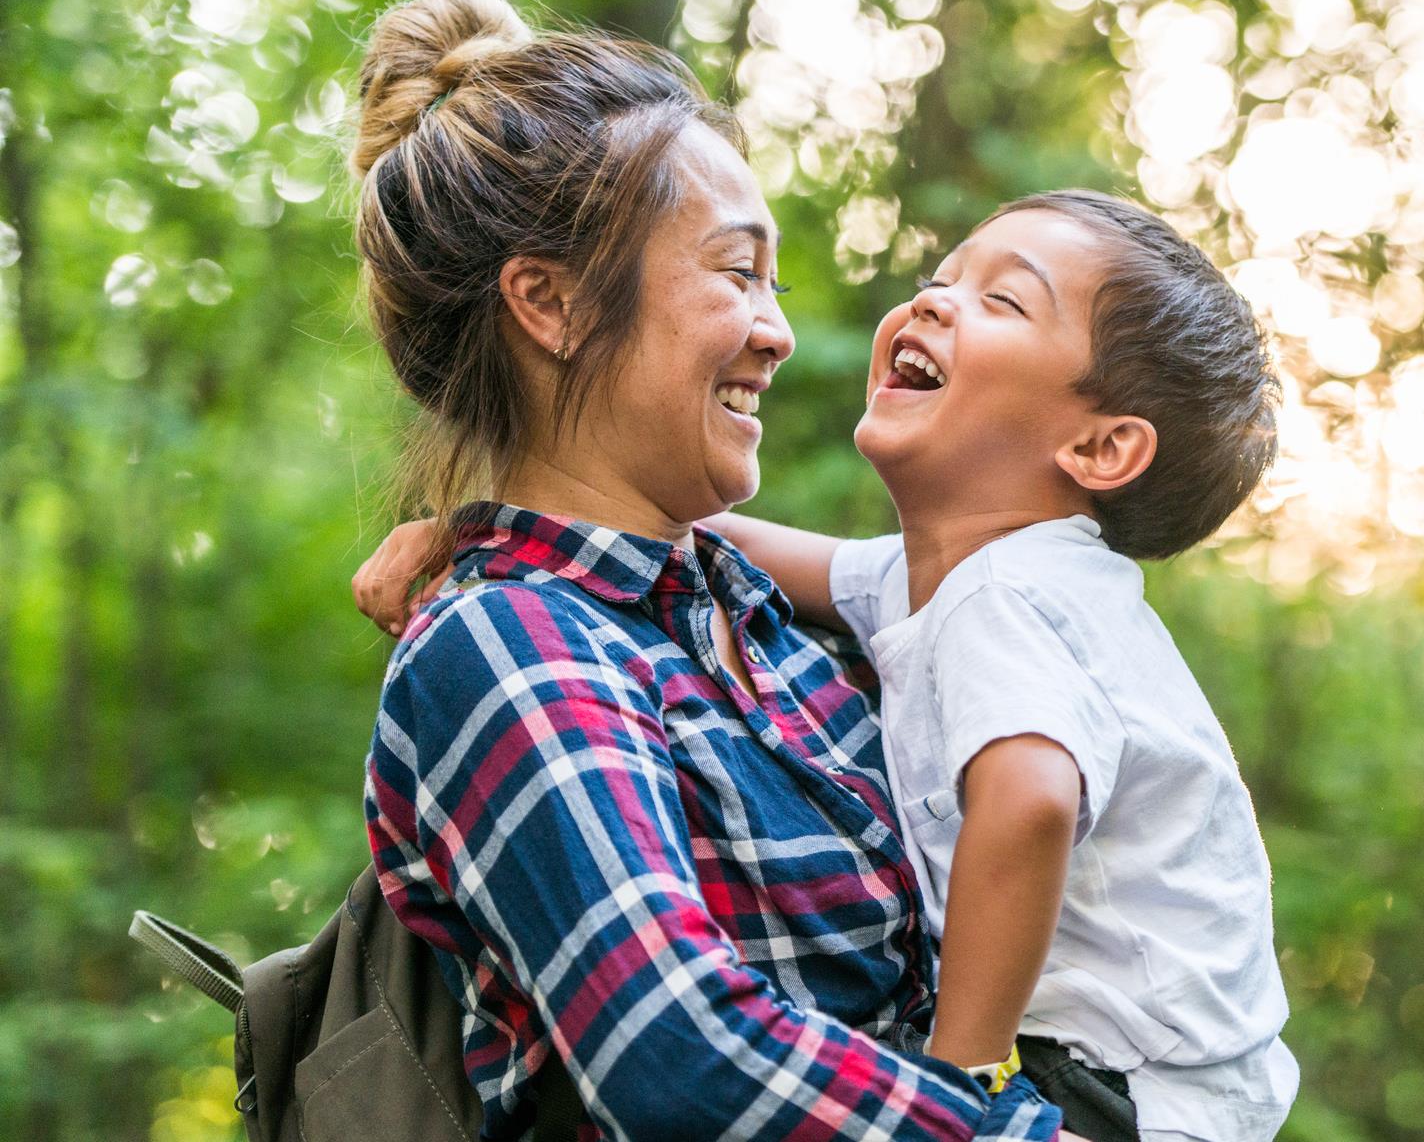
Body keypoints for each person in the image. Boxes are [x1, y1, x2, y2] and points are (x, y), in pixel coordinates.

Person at [361, 191, 1299, 1140]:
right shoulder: (944, 581)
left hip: (1124, 1089)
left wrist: (962, 1077)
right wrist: (466, 525)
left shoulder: (1006, 597)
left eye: (1003, 302)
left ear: (1098, 447)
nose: (934, 303)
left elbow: (1031, 802)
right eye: (942, 279)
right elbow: (685, 526)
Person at [345, 0, 1073, 1141]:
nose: (778, 330)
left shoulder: (771, 623)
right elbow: (684, 1057)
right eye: (738, 272)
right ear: (553, 302)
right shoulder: (499, 644)